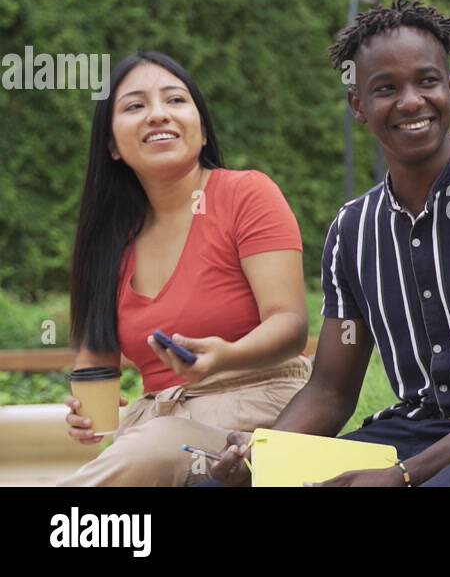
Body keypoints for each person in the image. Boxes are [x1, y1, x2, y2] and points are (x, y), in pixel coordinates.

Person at [208, 0, 450, 487]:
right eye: (385, 88)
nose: (410, 101)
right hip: (411, 433)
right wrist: (263, 456)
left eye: (427, 81)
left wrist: (408, 475)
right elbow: (330, 390)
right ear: (358, 106)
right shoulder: (352, 230)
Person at [59, 51, 310, 486]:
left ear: (202, 127)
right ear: (112, 146)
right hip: (157, 423)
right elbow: (95, 353)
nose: (158, 115)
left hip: (261, 407)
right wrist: (89, 410)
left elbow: (290, 325)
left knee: (157, 444)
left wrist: (225, 356)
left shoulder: (246, 194)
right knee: (153, 443)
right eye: (135, 106)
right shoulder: (111, 240)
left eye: (175, 100)